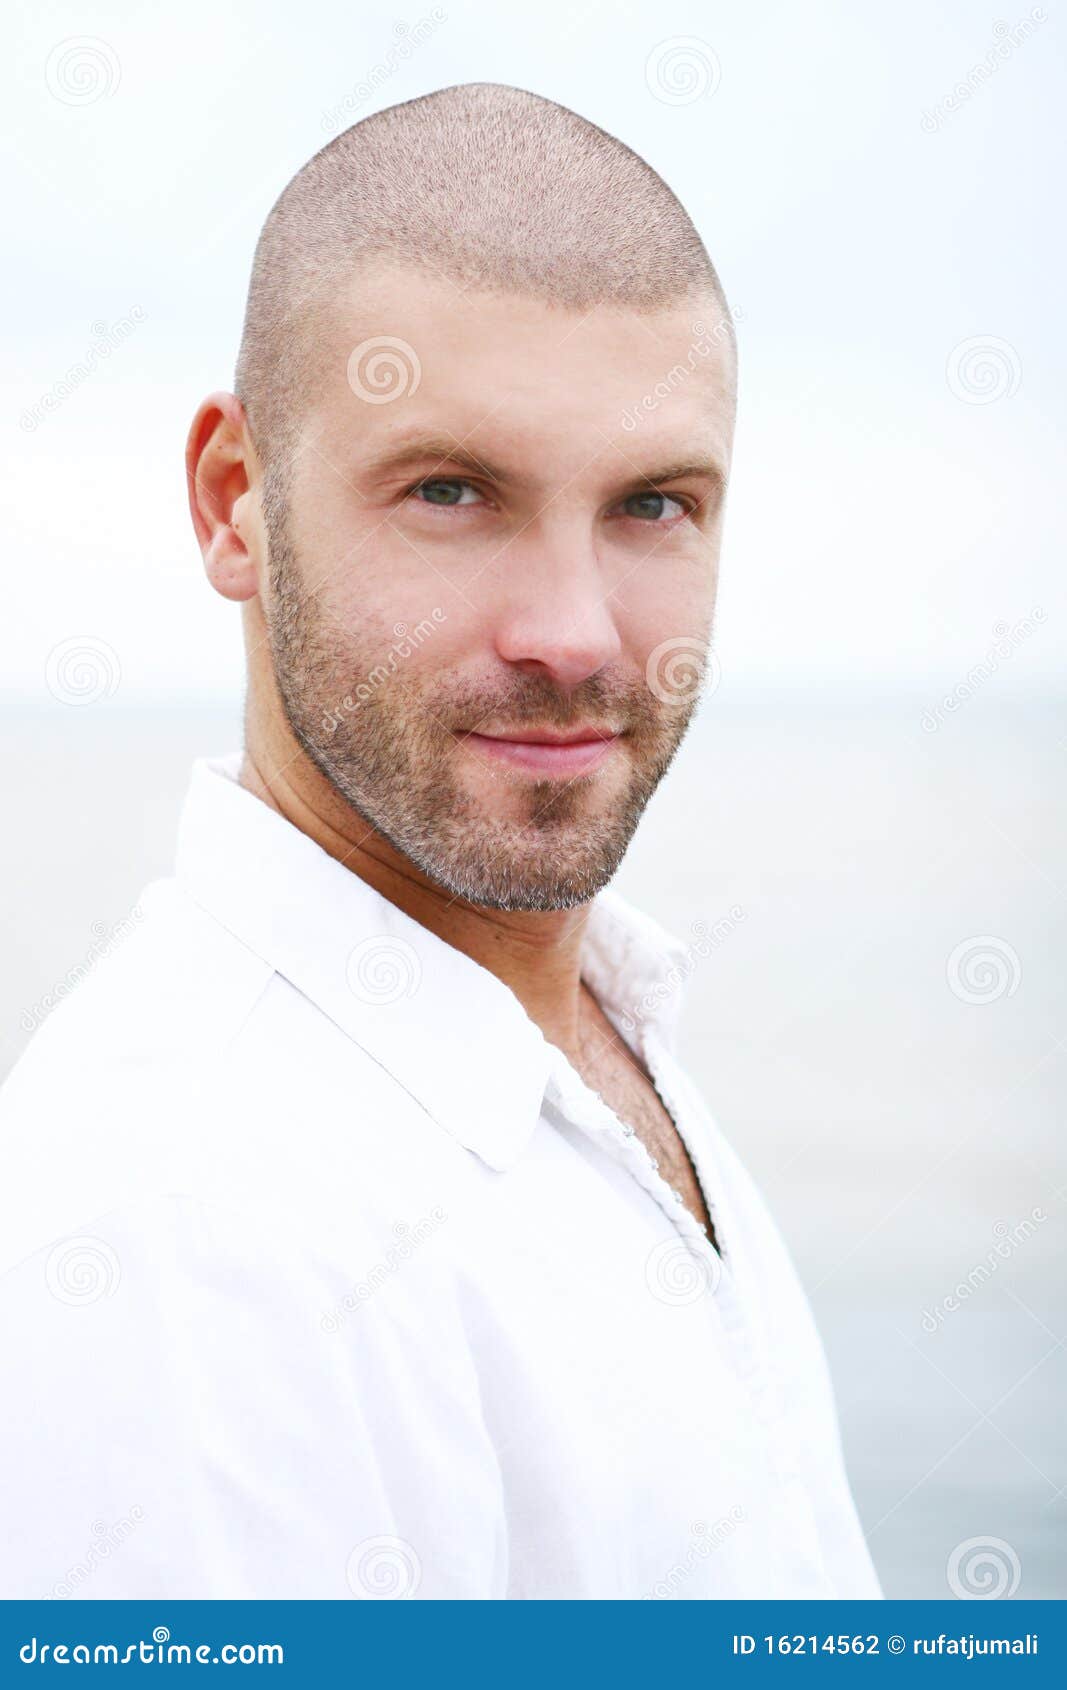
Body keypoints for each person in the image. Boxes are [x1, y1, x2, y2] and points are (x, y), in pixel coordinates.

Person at [0, 83, 881, 1600]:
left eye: (652, 504)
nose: (571, 633)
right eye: (451, 490)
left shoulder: (597, 1024)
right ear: (234, 503)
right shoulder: (180, 1228)